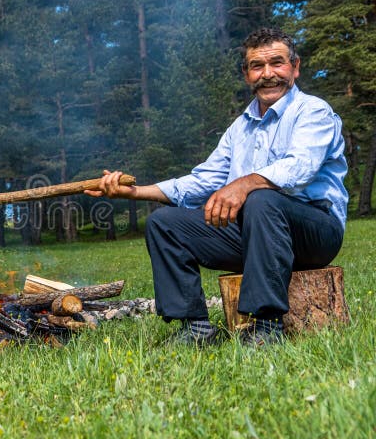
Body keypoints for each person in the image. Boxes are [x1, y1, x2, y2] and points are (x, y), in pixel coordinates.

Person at [86, 28, 348, 347]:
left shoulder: (313, 111)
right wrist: (136, 192)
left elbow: (301, 168)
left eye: (277, 63)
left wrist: (244, 185)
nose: (267, 74)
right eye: (256, 66)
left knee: (262, 198)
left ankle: (267, 327)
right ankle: (195, 327)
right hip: (257, 235)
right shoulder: (239, 129)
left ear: (295, 67)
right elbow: (204, 180)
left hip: (315, 232)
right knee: (164, 224)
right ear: (246, 74)